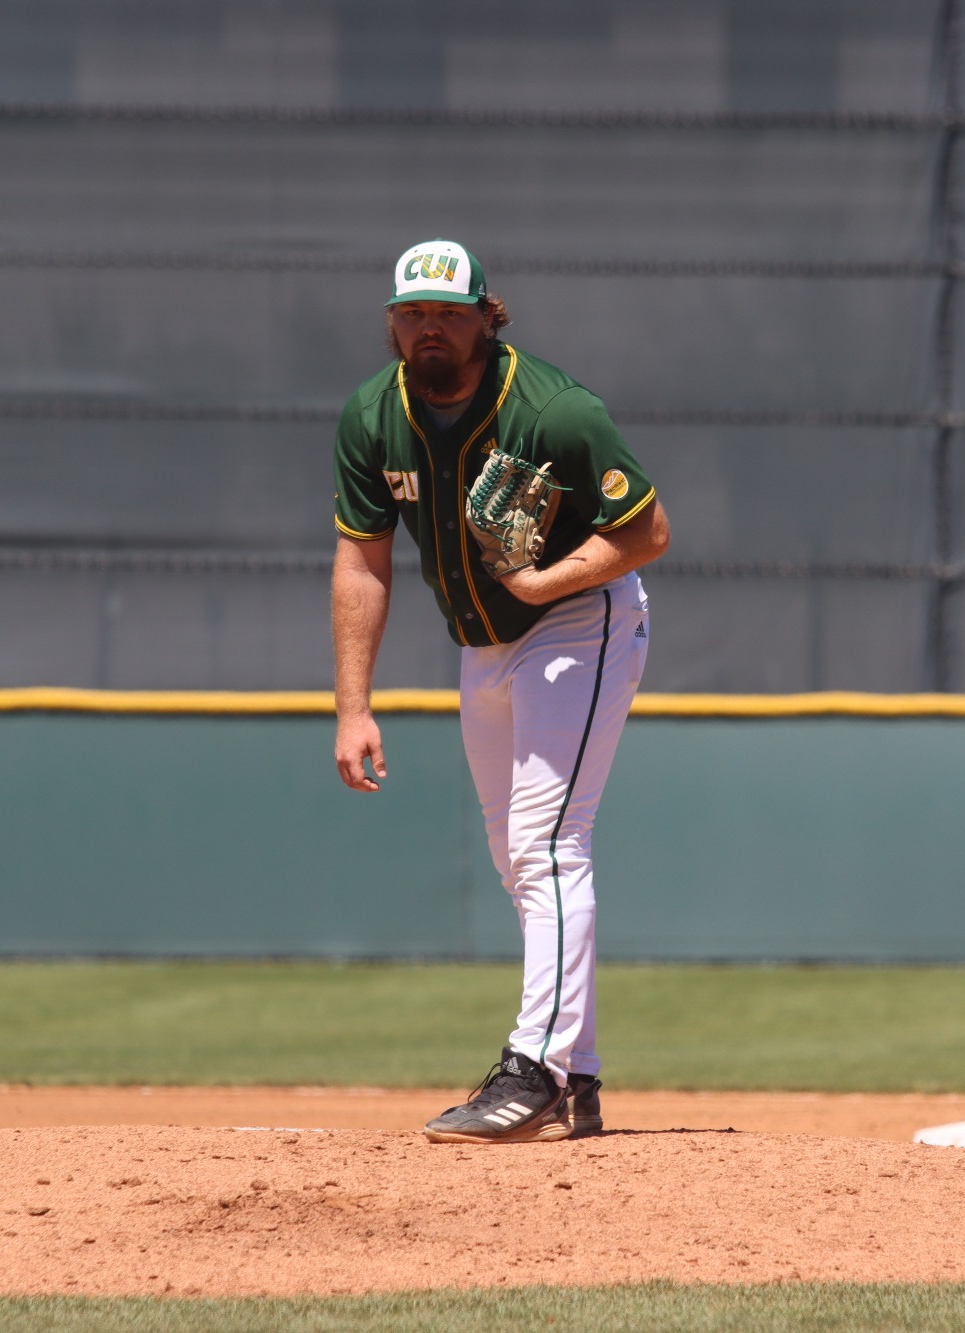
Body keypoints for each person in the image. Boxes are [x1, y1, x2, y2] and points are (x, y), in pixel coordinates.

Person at [331, 239, 671, 1144]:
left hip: (580, 620)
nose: (429, 327)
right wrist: (353, 705)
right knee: (518, 854)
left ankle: (538, 1071)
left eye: (448, 312)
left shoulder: (553, 410)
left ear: (490, 315)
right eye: (413, 312)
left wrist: (544, 583)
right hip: (480, 645)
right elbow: (363, 561)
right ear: (393, 321)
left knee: (548, 841)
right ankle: (581, 1069)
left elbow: (648, 532)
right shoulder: (374, 415)